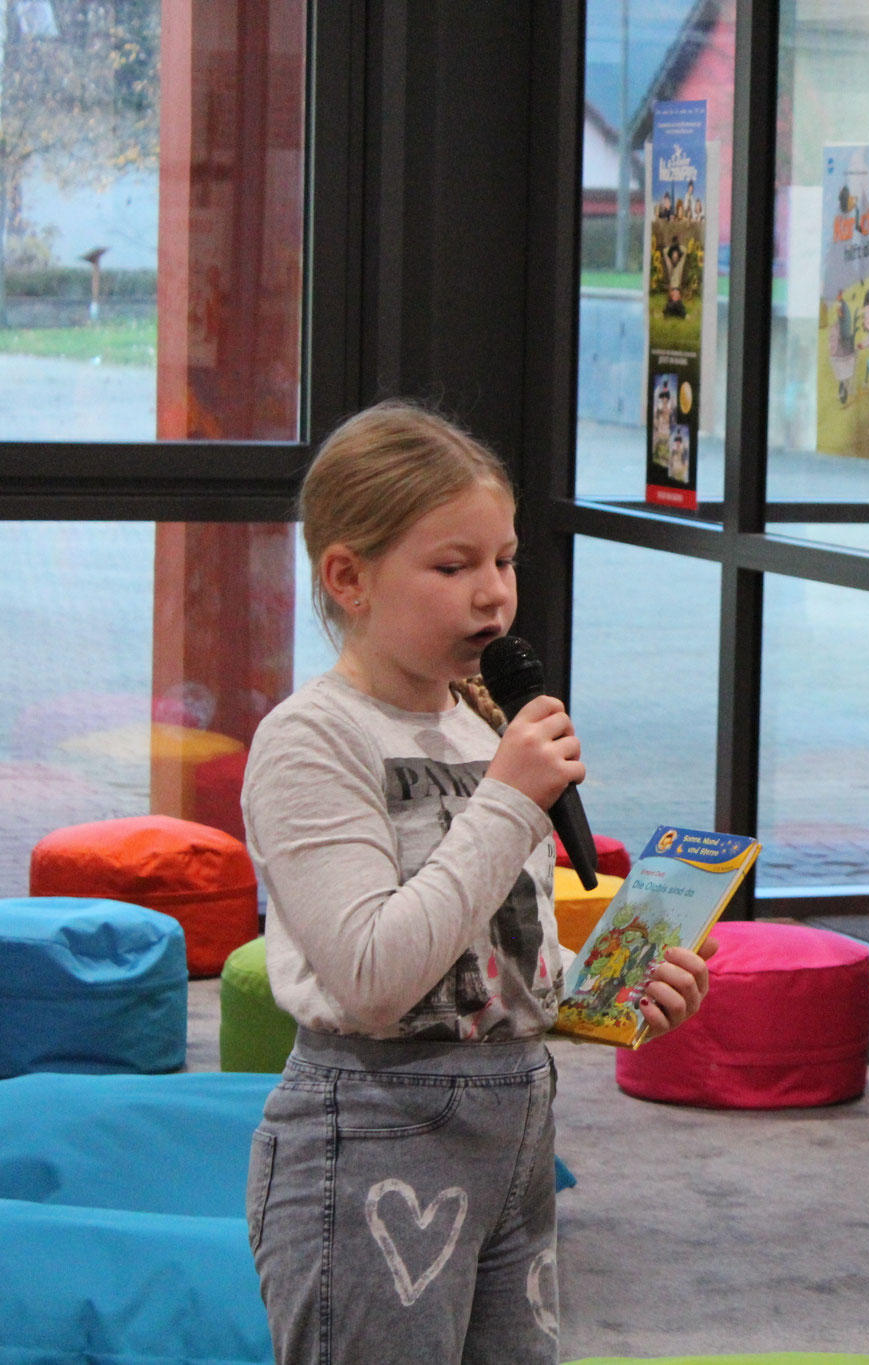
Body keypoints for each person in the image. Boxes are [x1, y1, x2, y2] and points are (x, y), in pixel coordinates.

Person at [242, 400, 717, 1364]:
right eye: (453, 567)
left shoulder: (478, 725)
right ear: (349, 576)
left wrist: (607, 989)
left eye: (503, 560)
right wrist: (508, 800)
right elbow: (376, 973)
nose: (493, 596)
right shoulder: (312, 740)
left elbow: (493, 955)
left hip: (515, 1130)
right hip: (370, 1131)